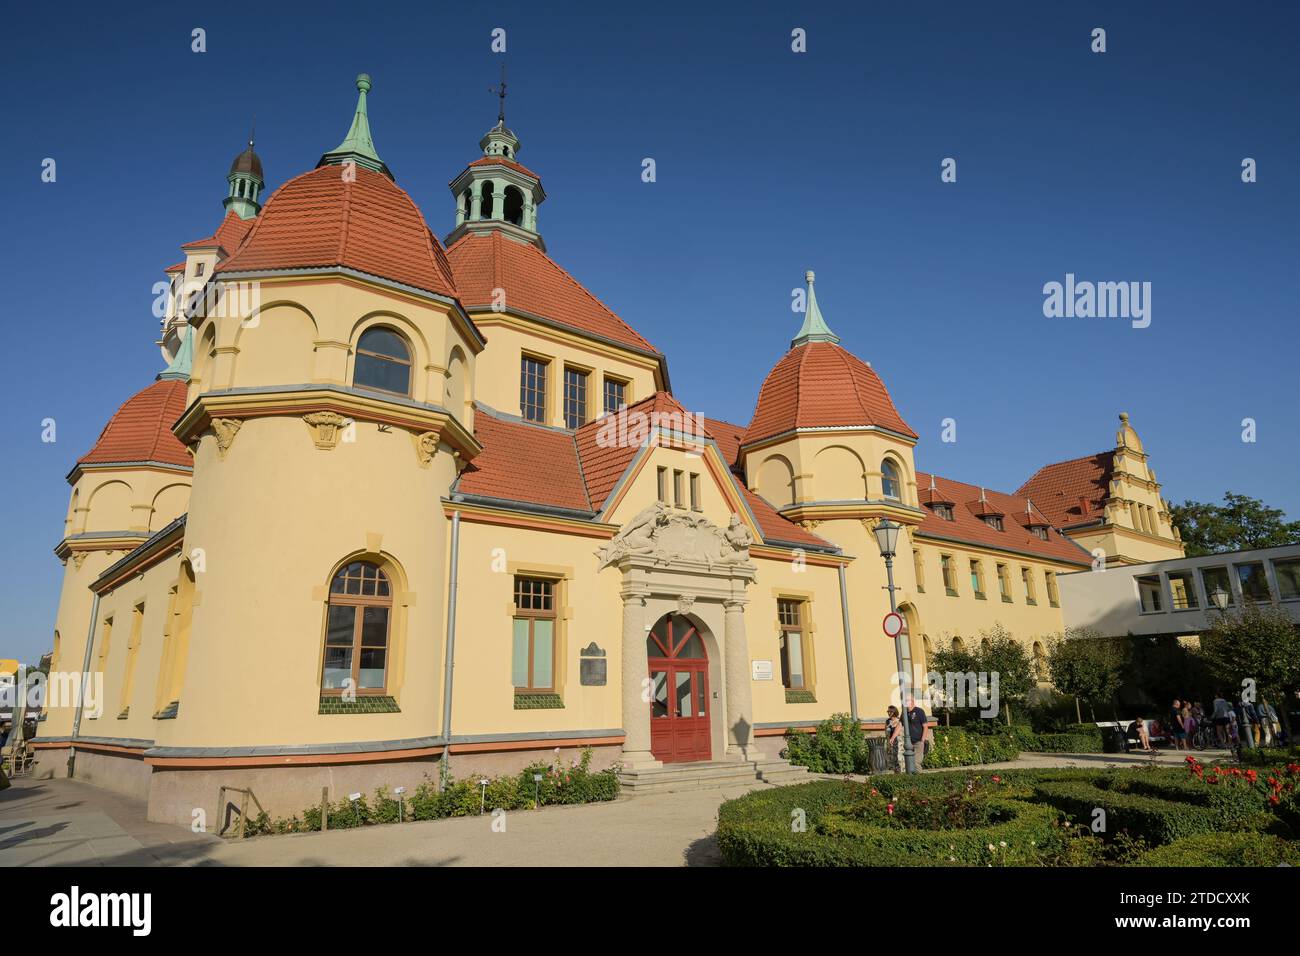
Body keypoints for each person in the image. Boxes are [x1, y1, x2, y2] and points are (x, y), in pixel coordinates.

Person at [905, 695, 928, 770]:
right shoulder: (904, 712)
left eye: (907, 701)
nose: (905, 702)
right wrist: (893, 737)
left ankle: (919, 779)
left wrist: (922, 740)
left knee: (916, 763)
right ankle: (911, 779)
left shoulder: (919, 711)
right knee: (909, 763)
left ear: (912, 701)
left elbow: (925, 726)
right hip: (908, 743)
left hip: (918, 742)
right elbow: (900, 725)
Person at [885, 705, 902, 772]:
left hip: (898, 742)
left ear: (894, 712)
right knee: (890, 757)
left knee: (897, 757)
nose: (889, 713)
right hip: (890, 742)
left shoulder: (899, 721)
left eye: (890, 711)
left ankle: (899, 771)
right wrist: (887, 741)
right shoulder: (887, 721)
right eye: (888, 711)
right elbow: (886, 732)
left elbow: (900, 731)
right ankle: (893, 771)